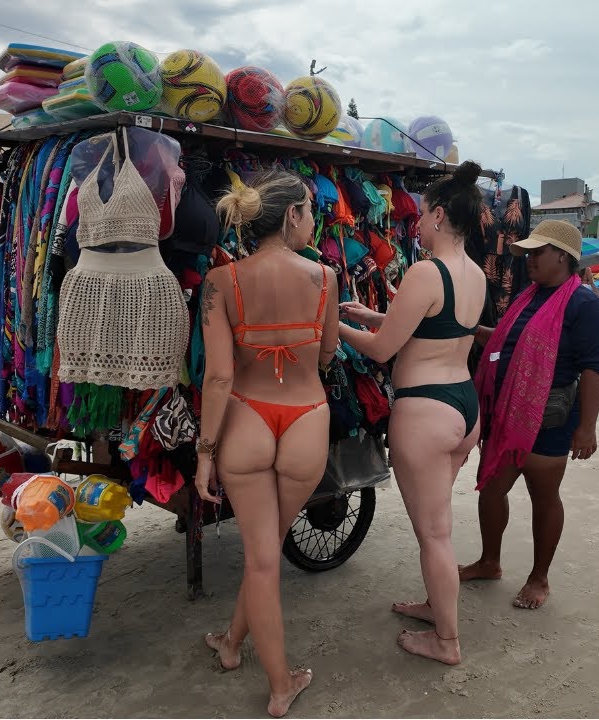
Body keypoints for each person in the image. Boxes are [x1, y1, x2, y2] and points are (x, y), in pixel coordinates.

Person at [194, 169, 339, 717]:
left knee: (261, 557)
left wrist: (204, 454)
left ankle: (238, 649)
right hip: (306, 418)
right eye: (308, 210)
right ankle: (279, 682)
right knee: (266, 551)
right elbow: (326, 355)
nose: (312, 219)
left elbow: (219, 378)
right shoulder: (325, 278)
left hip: (247, 418)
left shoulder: (220, 282)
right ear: (291, 216)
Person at [338, 161, 486, 666]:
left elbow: (382, 350)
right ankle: (435, 606)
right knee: (438, 525)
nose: (416, 224)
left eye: (421, 215)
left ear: (440, 216)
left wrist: (334, 327)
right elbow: (434, 326)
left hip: (425, 412)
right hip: (463, 408)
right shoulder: (475, 273)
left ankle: (447, 642)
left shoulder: (426, 270)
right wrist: (372, 313)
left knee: (434, 534)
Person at [459, 219, 599, 611]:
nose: (527, 260)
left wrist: (587, 428)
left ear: (562, 256)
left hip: (551, 415)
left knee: (544, 496)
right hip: (505, 411)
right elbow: (509, 341)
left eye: (536, 252)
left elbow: (593, 369)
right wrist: (471, 330)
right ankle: (490, 561)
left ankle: (539, 577)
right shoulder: (529, 296)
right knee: (490, 486)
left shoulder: (584, 304)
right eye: (527, 253)